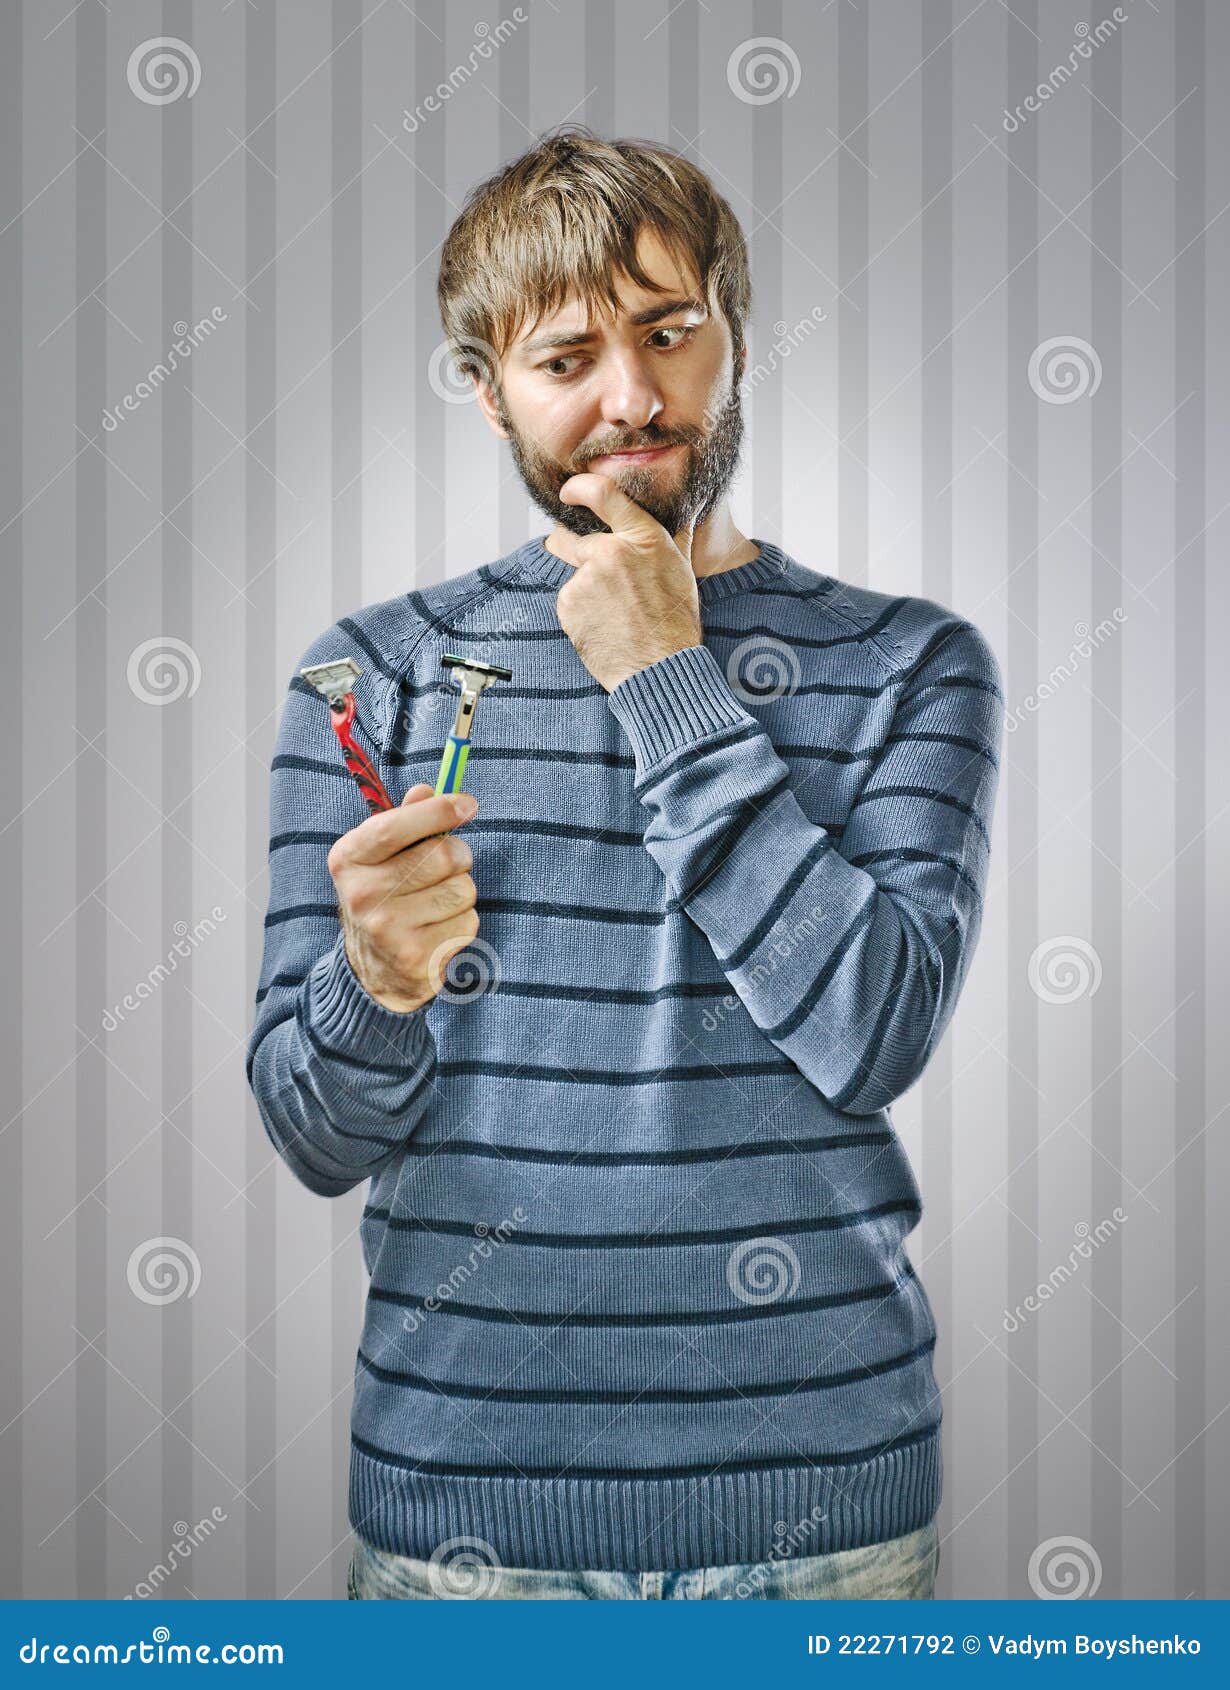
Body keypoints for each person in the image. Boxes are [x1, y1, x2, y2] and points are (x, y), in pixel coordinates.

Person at [247, 126, 1002, 1602]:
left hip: (822, 1516)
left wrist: (666, 677)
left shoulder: (912, 663)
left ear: (734, 336)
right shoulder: (374, 674)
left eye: (668, 332)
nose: (631, 398)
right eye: (564, 358)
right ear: (487, 392)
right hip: (464, 1522)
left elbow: (872, 1034)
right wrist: (372, 983)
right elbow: (314, 1139)